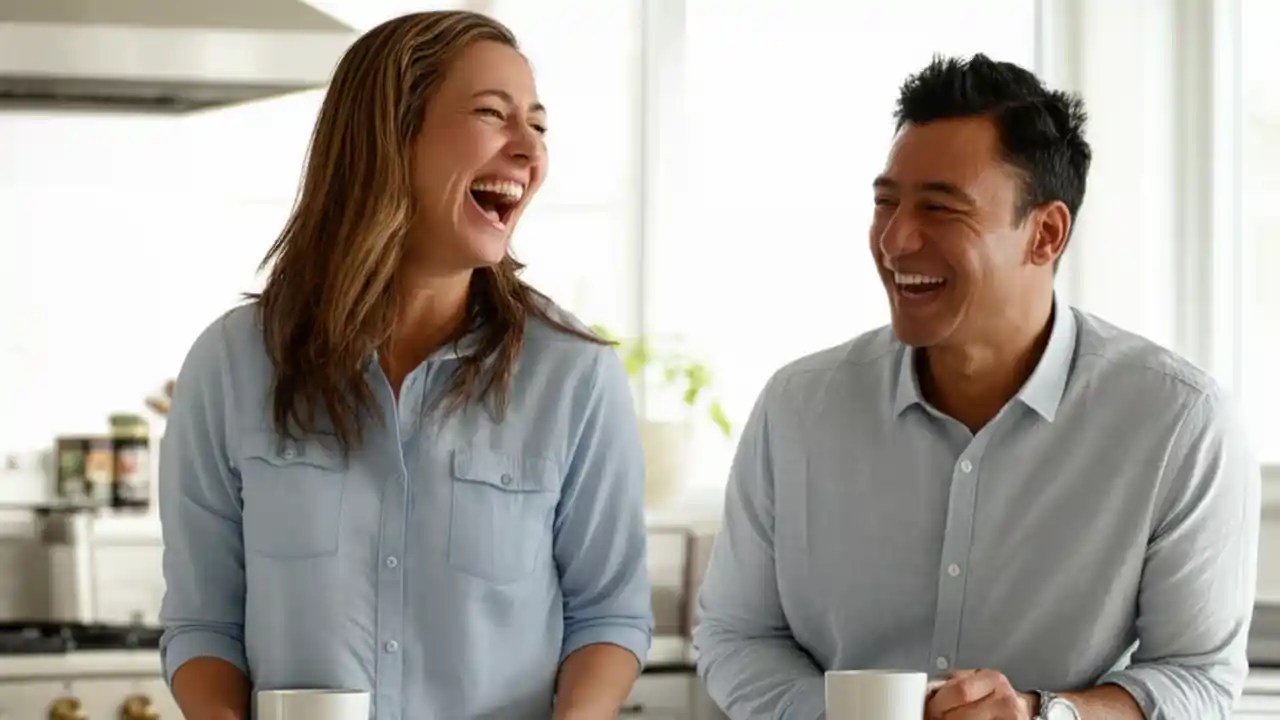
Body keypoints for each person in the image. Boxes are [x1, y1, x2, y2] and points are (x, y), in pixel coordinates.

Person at [693, 54, 1259, 720]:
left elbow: (1198, 679)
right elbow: (737, 636)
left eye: (939, 208)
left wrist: (1044, 715)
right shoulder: (797, 408)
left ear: (1045, 233)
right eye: (886, 203)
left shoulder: (1178, 421)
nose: (897, 239)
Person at [158, 11, 651, 720]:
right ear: (389, 136)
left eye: (537, 125)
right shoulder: (232, 364)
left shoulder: (573, 374)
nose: (528, 149)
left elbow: (609, 615)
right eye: (492, 114)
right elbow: (202, 623)